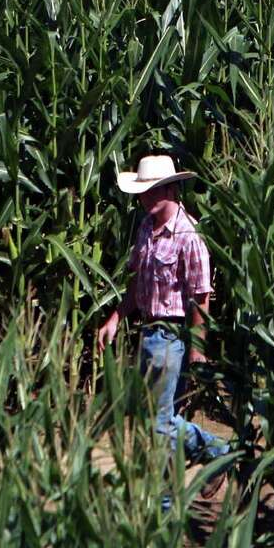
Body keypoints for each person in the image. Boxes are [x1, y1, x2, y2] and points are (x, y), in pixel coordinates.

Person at [97, 154, 230, 472]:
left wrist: (197, 347)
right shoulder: (145, 227)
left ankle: (218, 451)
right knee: (154, 417)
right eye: (142, 192)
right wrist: (116, 318)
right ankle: (185, 473)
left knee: (159, 423)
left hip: (172, 338)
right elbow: (137, 283)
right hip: (147, 333)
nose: (143, 199)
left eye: (150, 191)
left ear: (170, 191)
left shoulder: (189, 236)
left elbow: (201, 295)